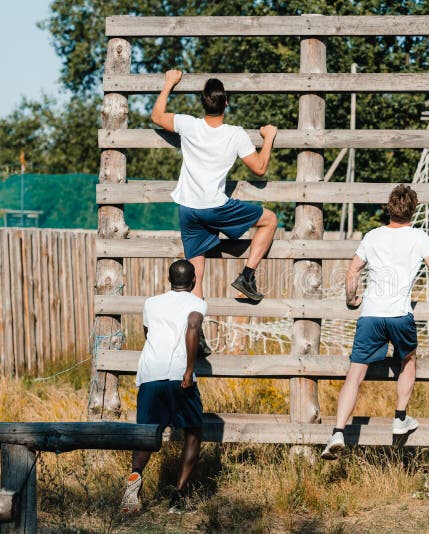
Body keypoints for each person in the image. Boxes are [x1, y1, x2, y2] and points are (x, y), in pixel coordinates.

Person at [321, 185, 429, 460]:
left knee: (355, 373)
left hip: (370, 315)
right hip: (399, 315)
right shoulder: (419, 237)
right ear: (413, 210)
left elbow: (352, 271)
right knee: (409, 359)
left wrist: (351, 299)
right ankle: (400, 416)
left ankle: (337, 432)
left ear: (388, 208)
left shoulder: (372, 236)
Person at [150, 70, 279, 303]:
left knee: (196, 277)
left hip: (188, 209)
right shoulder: (235, 134)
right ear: (226, 102)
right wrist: (268, 137)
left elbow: (157, 116)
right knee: (270, 220)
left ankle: (195, 337)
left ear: (202, 103)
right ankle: (247, 277)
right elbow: (259, 168)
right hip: (214, 207)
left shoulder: (188, 125)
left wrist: (169, 82)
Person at [120, 260, 207, 515]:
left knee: (147, 434)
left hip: (149, 373)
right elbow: (192, 327)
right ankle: (178, 498)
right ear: (192, 282)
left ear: (169, 280)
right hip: (179, 375)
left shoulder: (151, 303)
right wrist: (189, 370)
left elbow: (149, 333)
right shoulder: (196, 303)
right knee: (193, 432)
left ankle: (133, 483)